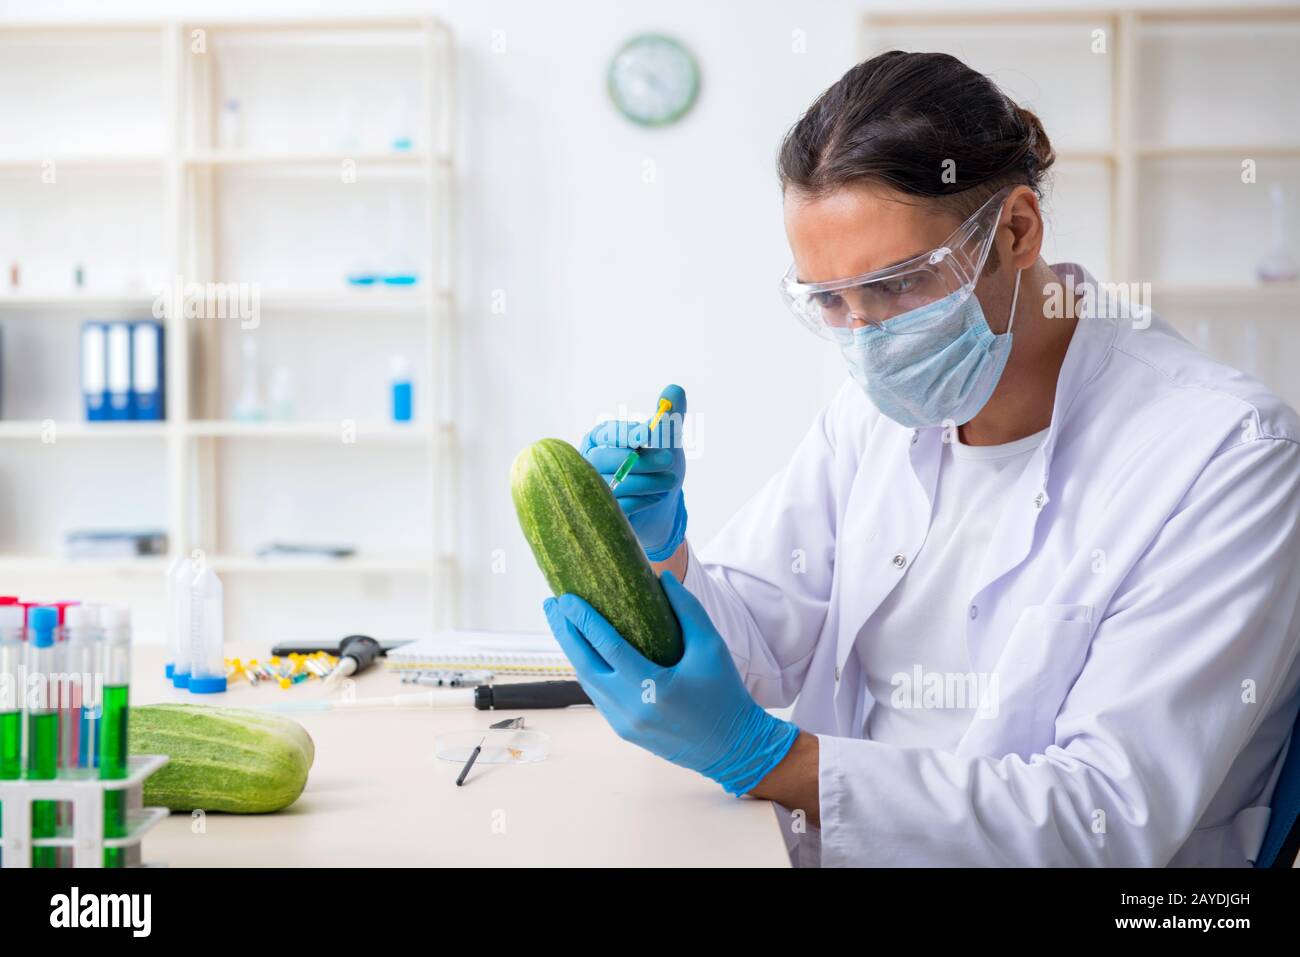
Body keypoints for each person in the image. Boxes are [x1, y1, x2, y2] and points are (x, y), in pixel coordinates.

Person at [542, 51, 1300, 866]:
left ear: (1015, 230)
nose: (868, 339)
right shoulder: (877, 415)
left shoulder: (1228, 456)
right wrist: (660, 559)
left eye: (900, 285)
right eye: (829, 300)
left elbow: (1103, 817)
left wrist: (770, 758)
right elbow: (756, 648)